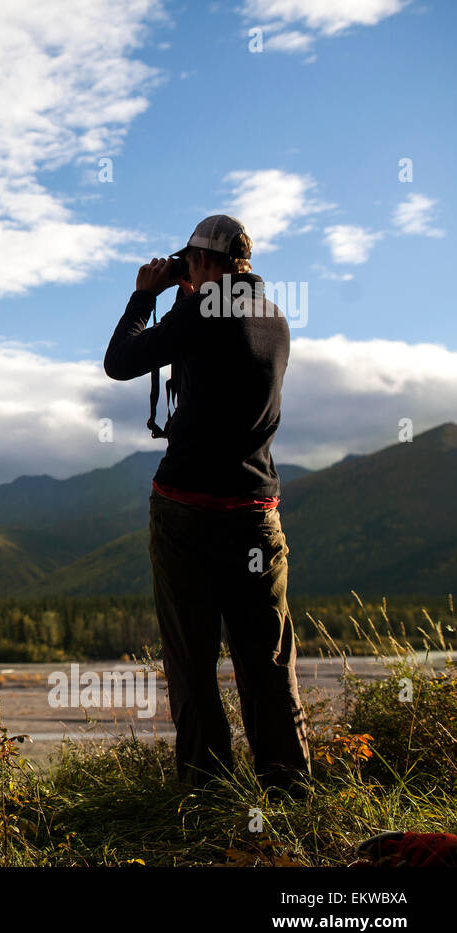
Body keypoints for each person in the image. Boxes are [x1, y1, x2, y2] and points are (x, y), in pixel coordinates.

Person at [103, 214, 312, 793]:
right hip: (256, 512)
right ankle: (288, 787)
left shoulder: (198, 313)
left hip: (188, 513)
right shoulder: (275, 319)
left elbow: (120, 361)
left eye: (188, 261)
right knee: (266, 659)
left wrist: (146, 295)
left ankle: (208, 790)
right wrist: (188, 292)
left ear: (201, 262)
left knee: (192, 660)